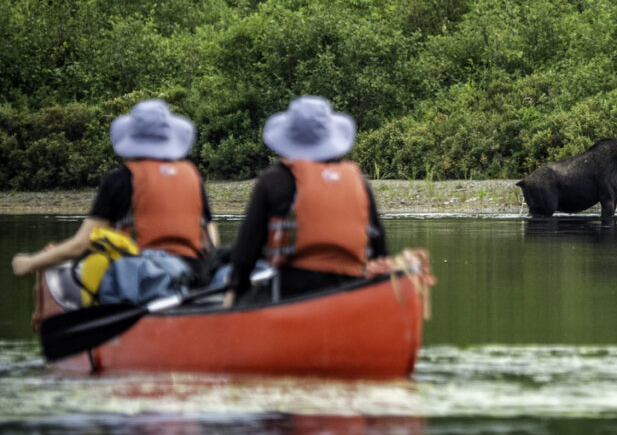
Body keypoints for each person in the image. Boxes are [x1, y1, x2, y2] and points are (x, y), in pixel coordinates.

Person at [11, 99, 219, 289]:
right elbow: (211, 244)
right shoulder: (192, 175)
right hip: (194, 278)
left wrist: (30, 263)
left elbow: (82, 244)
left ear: (132, 138)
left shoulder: (120, 180)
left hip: (144, 283)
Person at [226, 96, 387, 305]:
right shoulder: (359, 182)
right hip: (352, 291)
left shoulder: (274, 179)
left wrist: (236, 290)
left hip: (292, 294)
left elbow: (246, 254)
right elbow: (381, 252)